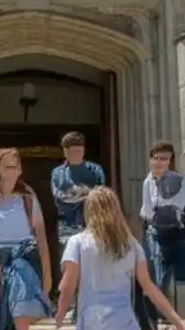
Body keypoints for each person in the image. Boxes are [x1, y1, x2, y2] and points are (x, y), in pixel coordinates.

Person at [54, 187, 185, 330]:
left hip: (93, 321)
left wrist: (60, 314)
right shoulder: (131, 244)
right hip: (124, 322)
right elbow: (149, 288)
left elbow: (68, 285)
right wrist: (178, 322)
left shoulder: (77, 243)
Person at [0, 148, 53, 330]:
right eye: (7, 167)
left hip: (24, 261)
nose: (12, 172)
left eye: (15, 167)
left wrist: (48, 278)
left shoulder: (28, 199)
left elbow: (42, 240)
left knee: (22, 315)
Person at [50, 131, 106, 322]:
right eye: (72, 151)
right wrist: (85, 192)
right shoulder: (58, 173)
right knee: (70, 267)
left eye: (79, 151)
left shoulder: (95, 170)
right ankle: (72, 307)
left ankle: (91, 306)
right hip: (67, 226)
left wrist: (76, 193)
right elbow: (60, 197)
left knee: (92, 266)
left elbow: (100, 195)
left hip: (93, 225)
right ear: (64, 152)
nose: (76, 154)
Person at [138, 140, 185, 314]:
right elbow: (146, 212)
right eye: (156, 158)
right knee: (150, 279)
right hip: (152, 236)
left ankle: (163, 315)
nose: (160, 162)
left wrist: (172, 218)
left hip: (171, 238)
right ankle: (156, 316)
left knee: (162, 279)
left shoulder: (177, 184)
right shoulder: (147, 183)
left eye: (165, 159)